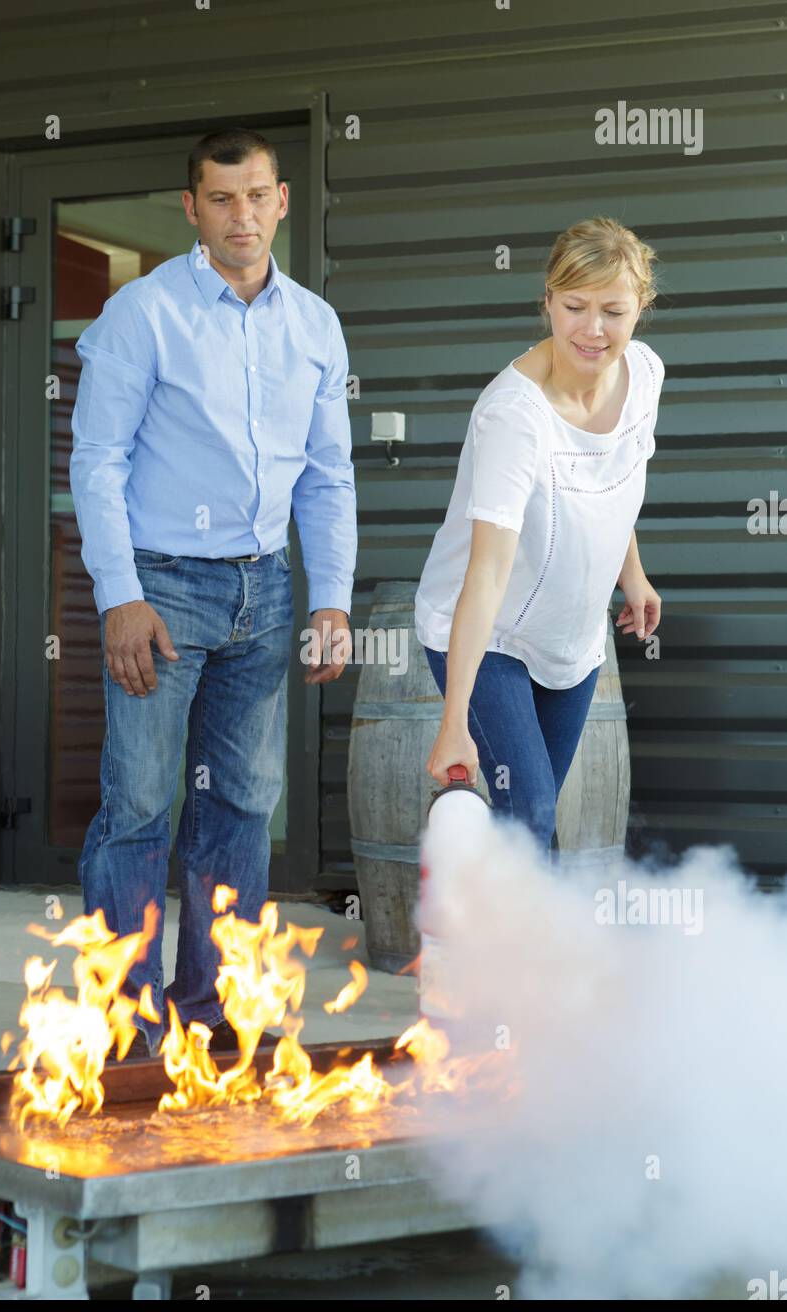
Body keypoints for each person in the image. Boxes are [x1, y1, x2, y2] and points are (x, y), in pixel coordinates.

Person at [69, 128, 356, 1056]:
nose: (243, 217)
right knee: (142, 803)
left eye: (257, 196)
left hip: (265, 591)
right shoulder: (140, 314)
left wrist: (330, 601)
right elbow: (97, 462)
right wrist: (119, 594)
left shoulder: (314, 323)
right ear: (191, 208)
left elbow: (329, 475)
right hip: (160, 591)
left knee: (241, 805)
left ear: (281, 201)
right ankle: (127, 1026)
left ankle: (212, 1016)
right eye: (221, 200)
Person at [415, 217, 665, 853]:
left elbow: (619, 477)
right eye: (575, 306)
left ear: (641, 306)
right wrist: (453, 724)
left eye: (613, 310)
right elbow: (487, 571)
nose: (593, 329)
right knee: (525, 812)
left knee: (534, 821)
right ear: (548, 300)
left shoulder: (645, 374)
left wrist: (630, 572)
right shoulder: (513, 416)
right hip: (488, 632)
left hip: (571, 637)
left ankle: (502, 948)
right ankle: (499, 953)